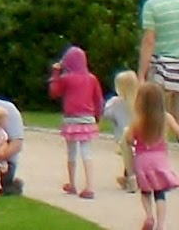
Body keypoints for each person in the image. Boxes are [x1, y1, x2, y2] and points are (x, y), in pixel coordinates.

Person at [49, 44, 104, 198]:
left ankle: (72, 183)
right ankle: (89, 186)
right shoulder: (92, 78)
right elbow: (98, 100)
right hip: (87, 118)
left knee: (71, 153)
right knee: (87, 153)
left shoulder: (66, 79)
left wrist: (55, 73)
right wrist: (98, 116)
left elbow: (54, 92)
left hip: (71, 119)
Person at [128, 79, 179, 230]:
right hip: (160, 159)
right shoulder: (166, 117)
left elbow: (130, 139)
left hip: (143, 159)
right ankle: (161, 224)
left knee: (145, 190)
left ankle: (149, 216)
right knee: (160, 192)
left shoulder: (138, 120)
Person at [139, 0, 179, 121]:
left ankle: (155, 144)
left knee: (155, 111)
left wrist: (141, 73)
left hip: (162, 66)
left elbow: (149, 40)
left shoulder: (151, 5)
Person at [107, 69, 141, 194]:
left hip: (124, 134)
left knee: (128, 155)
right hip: (139, 133)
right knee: (135, 154)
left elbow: (107, 114)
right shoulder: (140, 101)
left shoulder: (116, 102)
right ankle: (130, 176)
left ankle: (130, 177)